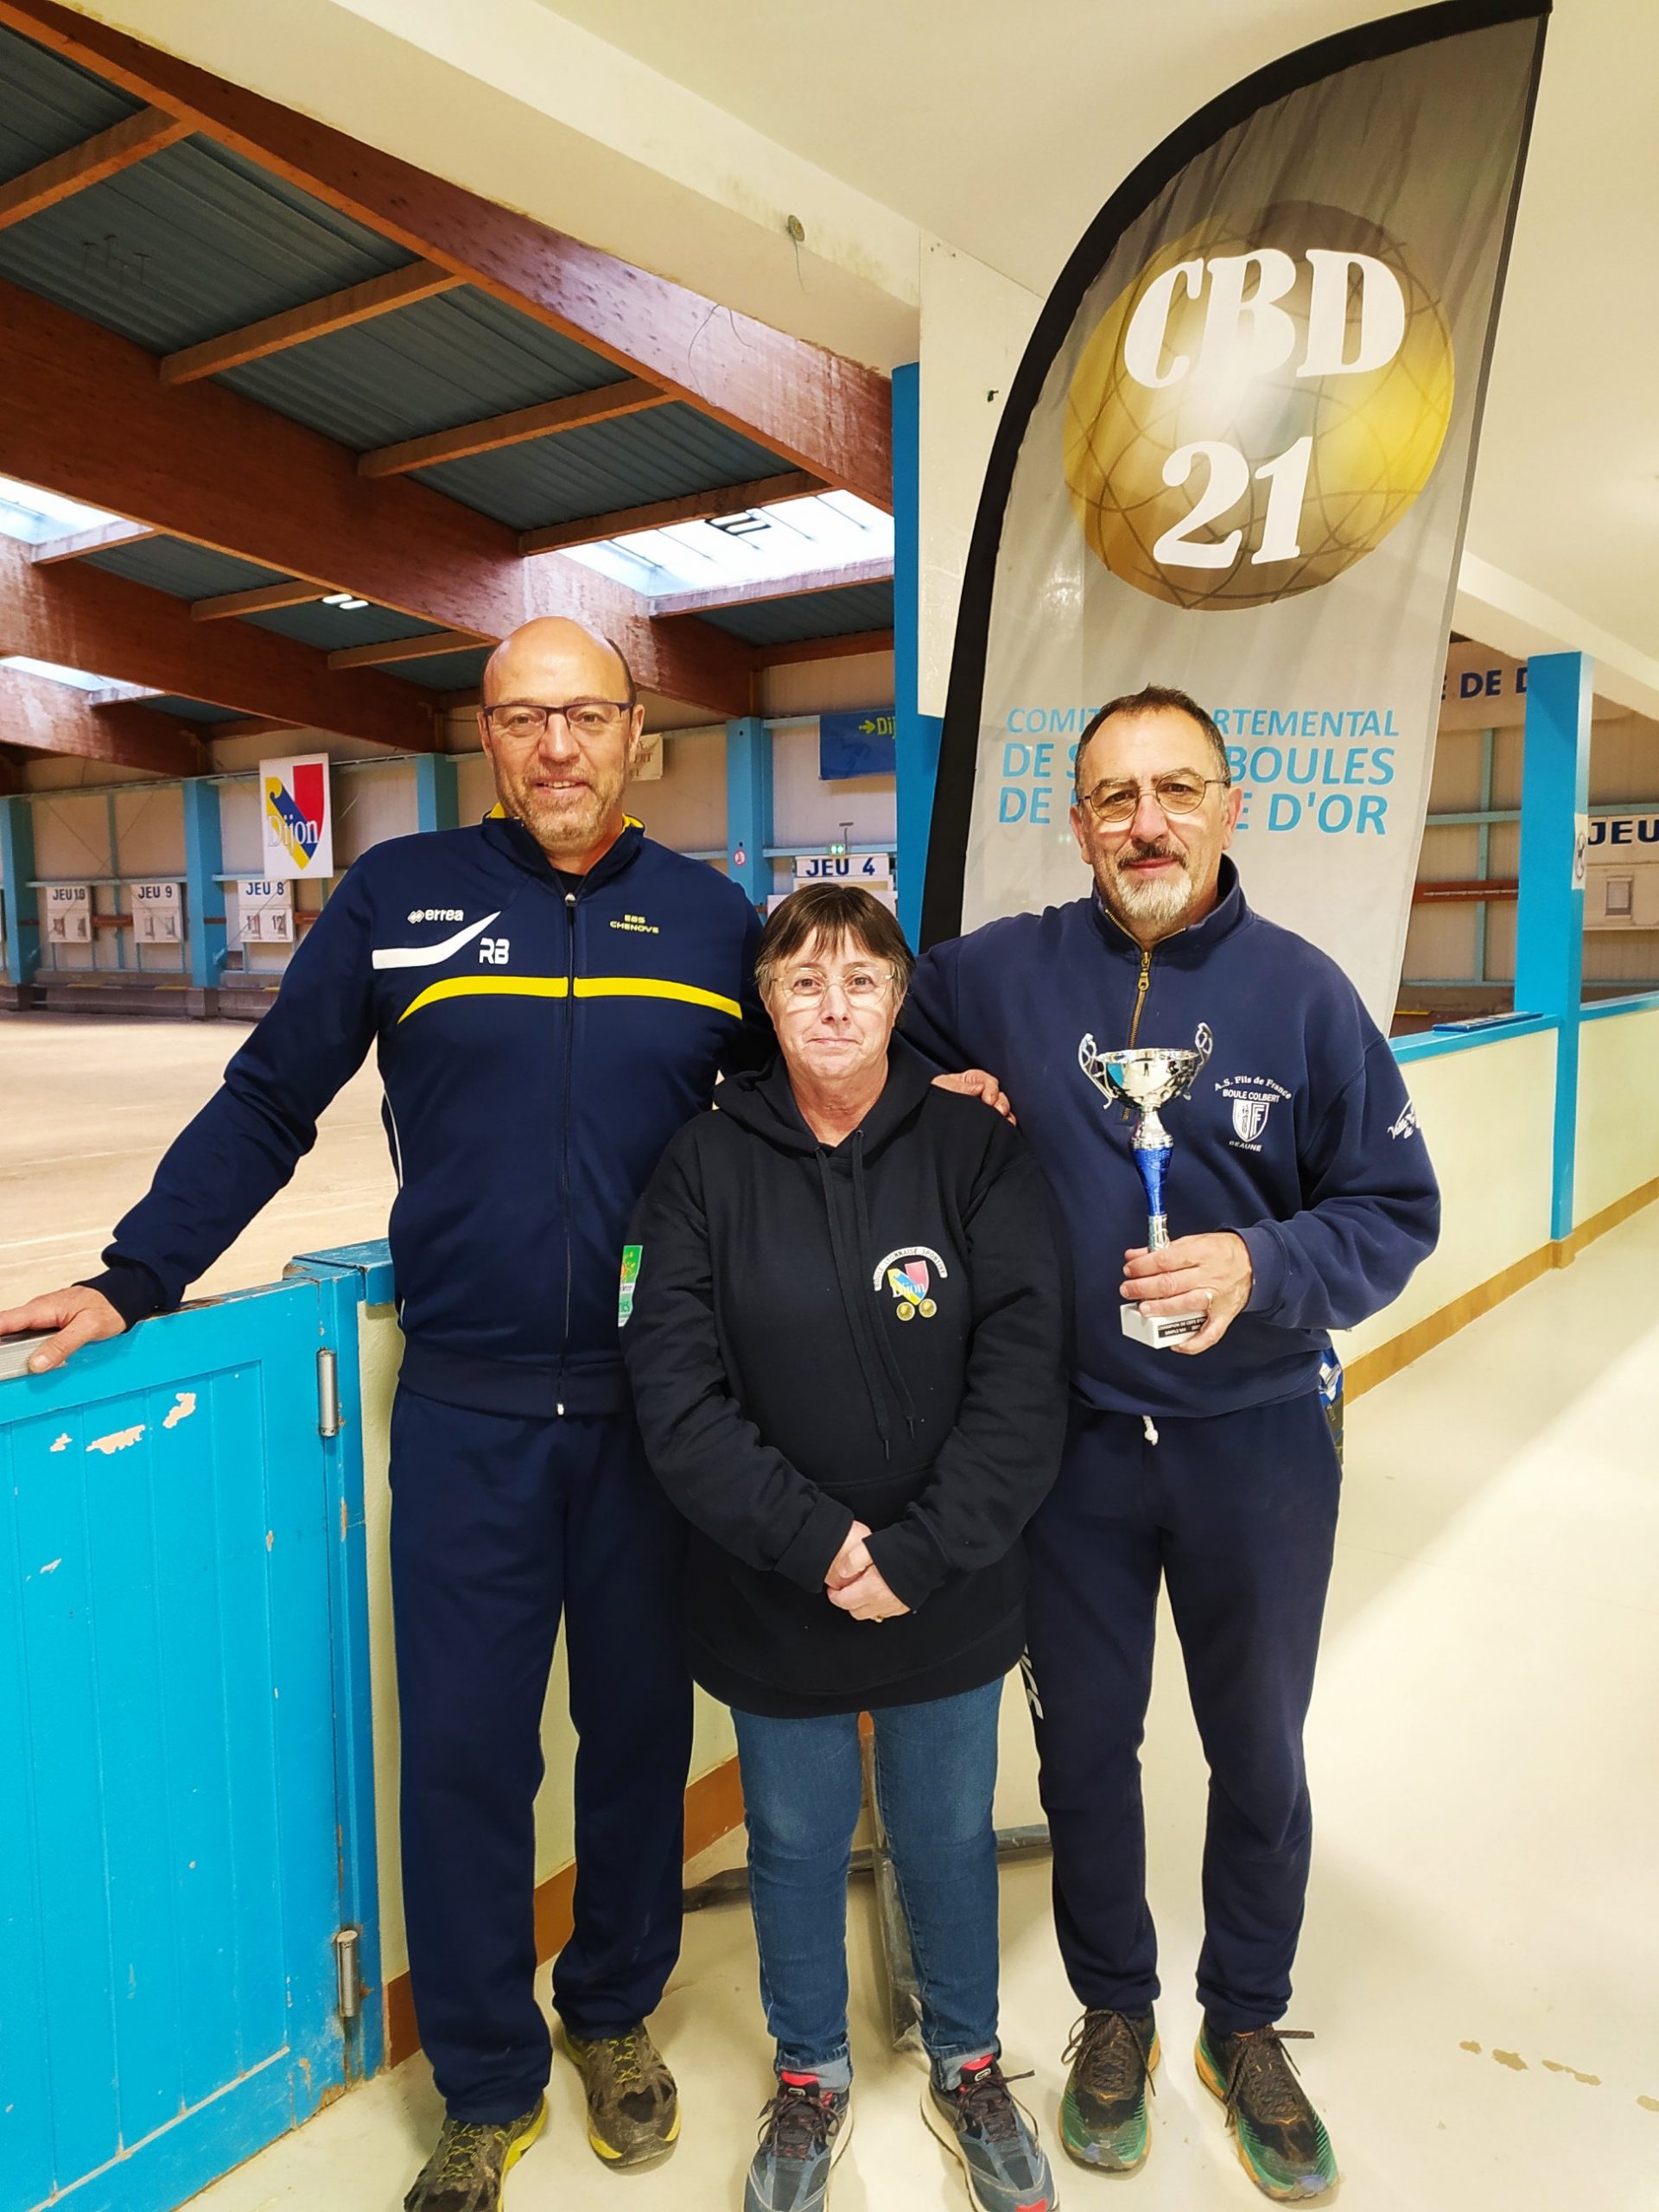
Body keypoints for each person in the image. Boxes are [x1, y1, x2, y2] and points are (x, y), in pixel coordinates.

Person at [0, 619, 774, 2212]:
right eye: (522, 718)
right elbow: (272, 1098)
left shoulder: (710, 921)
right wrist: (136, 1276)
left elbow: (799, 1129)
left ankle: (615, 2012)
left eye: (586, 715)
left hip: (656, 1416)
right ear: (483, 735)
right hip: (475, 1413)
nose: (557, 745)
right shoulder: (398, 898)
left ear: (640, 732)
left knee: (635, 1736)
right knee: (472, 1757)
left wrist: (947, 1103)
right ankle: (485, 2083)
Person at [903, 685, 1440, 2204]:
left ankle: (1246, 2022)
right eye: (1115, 796)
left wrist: (1262, 1270)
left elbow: (1398, 1212)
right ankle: (1118, 2011)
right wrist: (927, 1095)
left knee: (1256, 1747)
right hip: (1066, 1449)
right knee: (1085, 1750)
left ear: (1228, 808)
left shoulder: (1306, 994)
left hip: (1258, 1442)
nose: (1146, 822)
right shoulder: (995, 977)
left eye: (1177, 791)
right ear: (1075, 823)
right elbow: (849, 1051)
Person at [622, 882, 1068, 2212]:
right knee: (798, 1843)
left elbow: (1026, 1368)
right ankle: (808, 2075)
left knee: (944, 1833)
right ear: (766, 1001)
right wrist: (819, 1544)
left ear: (899, 997)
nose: (831, 1003)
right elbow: (675, 1388)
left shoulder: (975, 1148)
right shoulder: (700, 1164)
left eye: (860, 979)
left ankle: (971, 2060)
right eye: (802, 979)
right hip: (776, 1586)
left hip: (953, 1577)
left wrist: (922, 1553)